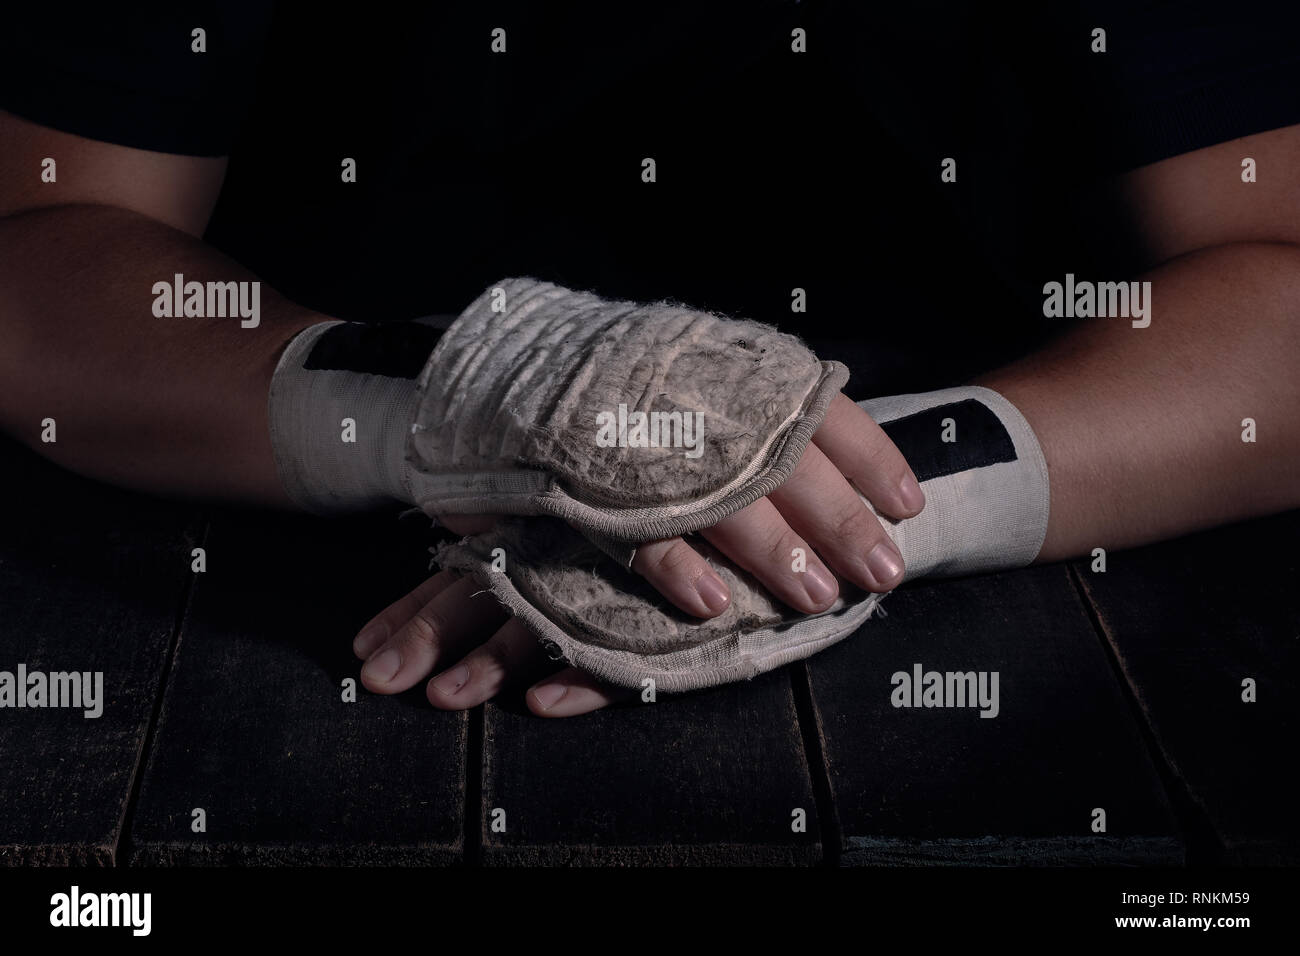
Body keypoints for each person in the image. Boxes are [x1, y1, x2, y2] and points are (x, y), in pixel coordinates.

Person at [2, 2, 1298, 716]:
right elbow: (43, 241)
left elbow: (1277, 292)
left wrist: (839, 497)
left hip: (1018, 555)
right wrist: (480, 392)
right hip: (262, 541)